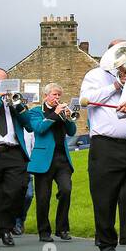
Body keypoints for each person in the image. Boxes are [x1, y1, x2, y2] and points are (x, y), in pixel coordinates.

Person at [81, 43, 126, 251]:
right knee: (105, 196)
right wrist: (116, 86)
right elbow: (87, 100)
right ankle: (106, 243)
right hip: (106, 145)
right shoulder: (95, 75)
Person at [0, 69, 33, 247]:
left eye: (4, 82)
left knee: (16, 190)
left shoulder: (16, 100)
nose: (1, 86)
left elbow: (29, 124)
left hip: (14, 151)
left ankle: (5, 228)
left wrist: (16, 105)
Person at [26, 84, 76, 243]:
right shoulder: (36, 111)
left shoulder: (62, 111)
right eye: (54, 95)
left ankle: (62, 228)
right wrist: (55, 114)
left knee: (66, 190)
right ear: (46, 95)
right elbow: (39, 128)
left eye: (59, 95)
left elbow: (72, 132)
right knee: (43, 197)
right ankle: (44, 231)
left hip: (62, 159)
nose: (57, 98)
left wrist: (67, 117)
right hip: (43, 159)